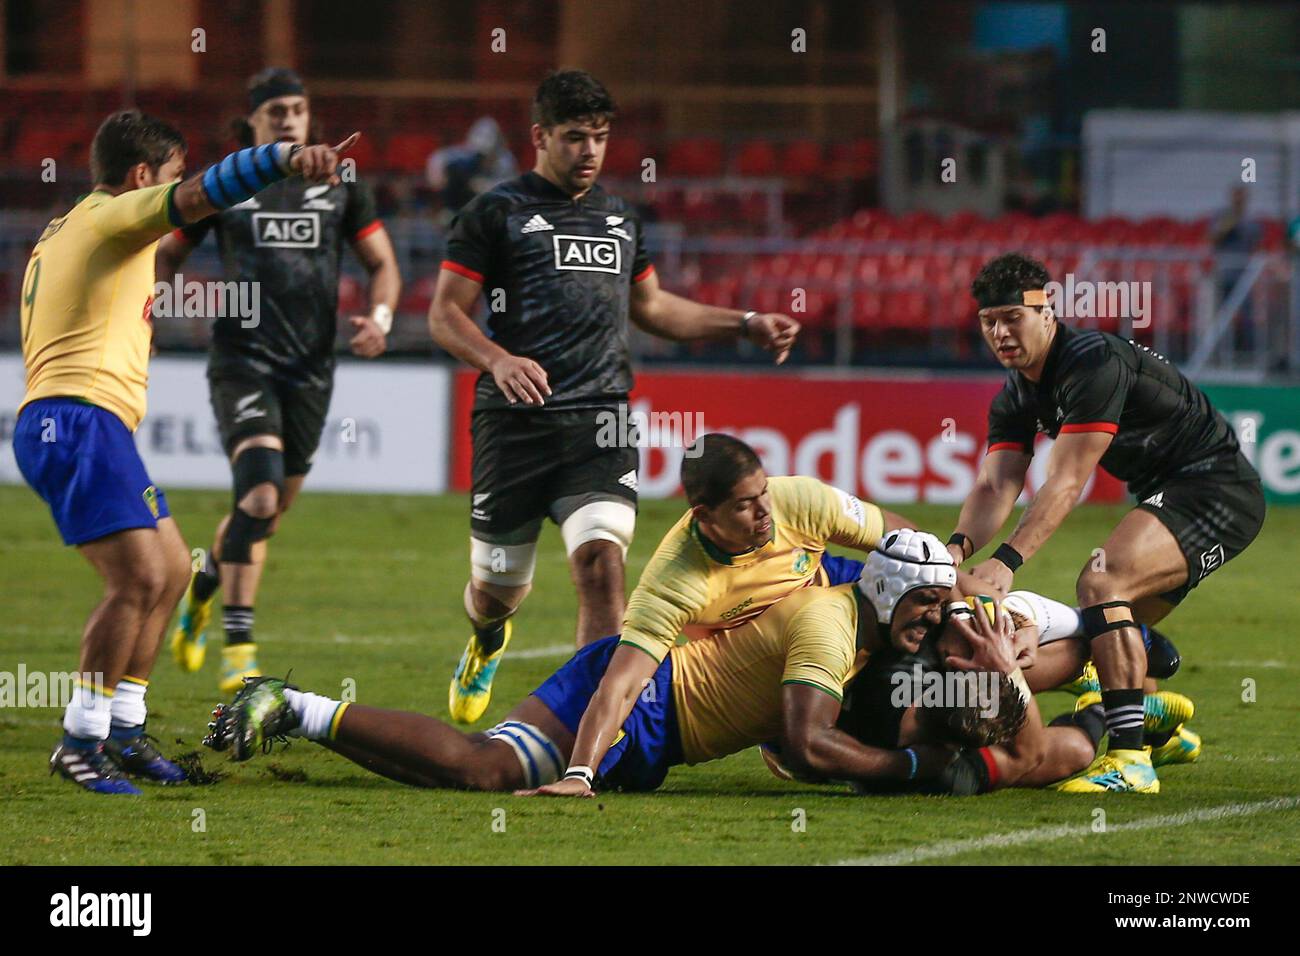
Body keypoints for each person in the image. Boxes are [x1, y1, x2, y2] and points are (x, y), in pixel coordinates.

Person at [431, 70, 800, 723]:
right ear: (541, 136)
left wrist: (742, 324)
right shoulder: (495, 213)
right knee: (496, 593)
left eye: (600, 138)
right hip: (512, 428)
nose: (591, 152)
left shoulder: (619, 217)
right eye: (575, 138)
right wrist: (498, 358)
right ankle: (487, 639)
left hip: (599, 423)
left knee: (602, 564)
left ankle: (587, 725)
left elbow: (655, 308)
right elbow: (444, 315)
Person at [13, 107, 356, 793]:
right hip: (75, 420)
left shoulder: (73, 227)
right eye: (168, 175)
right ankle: (80, 741)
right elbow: (202, 194)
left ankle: (126, 731)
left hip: (90, 422)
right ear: (142, 178)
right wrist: (283, 160)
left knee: (170, 571)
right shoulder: (114, 217)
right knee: (135, 580)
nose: (176, 189)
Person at [203, 533, 973, 795]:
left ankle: (295, 712)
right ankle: (291, 705)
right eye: (927, 607)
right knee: (486, 770)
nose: (935, 622)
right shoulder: (833, 626)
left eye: (941, 610)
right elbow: (807, 744)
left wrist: (979, 610)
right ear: (887, 592)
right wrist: (911, 768)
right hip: (649, 703)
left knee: (472, 776)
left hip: (661, 715)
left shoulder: (862, 592)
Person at [945, 252, 1264, 793]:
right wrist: (954, 549)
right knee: (1100, 628)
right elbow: (996, 484)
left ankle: (1129, 763)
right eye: (988, 322)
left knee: (1102, 583)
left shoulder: (1091, 362)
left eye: (1012, 318)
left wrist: (1005, 562)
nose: (1000, 332)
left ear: (1048, 313)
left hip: (1214, 488)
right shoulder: (1018, 392)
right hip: (1175, 493)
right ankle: (1160, 735)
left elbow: (1067, 481)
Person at [159, 68, 401, 693]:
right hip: (242, 361)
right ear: (255, 124)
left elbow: (383, 266)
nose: (289, 119)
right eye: (277, 112)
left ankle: (201, 592)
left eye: (298, 108)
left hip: (311, 370)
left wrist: (379, 318)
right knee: (261, 495)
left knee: (265, 511)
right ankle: (239, 645)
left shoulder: (342, 182)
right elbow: (165, 252)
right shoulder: (228, 184)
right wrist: (154, 305)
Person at [426, 116, 518, 221]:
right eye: (480, 155)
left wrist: (481, 185)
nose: (484, 159)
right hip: (458, 209)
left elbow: (509, 190)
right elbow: (437, 180)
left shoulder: (505, 161)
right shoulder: (452, 158)